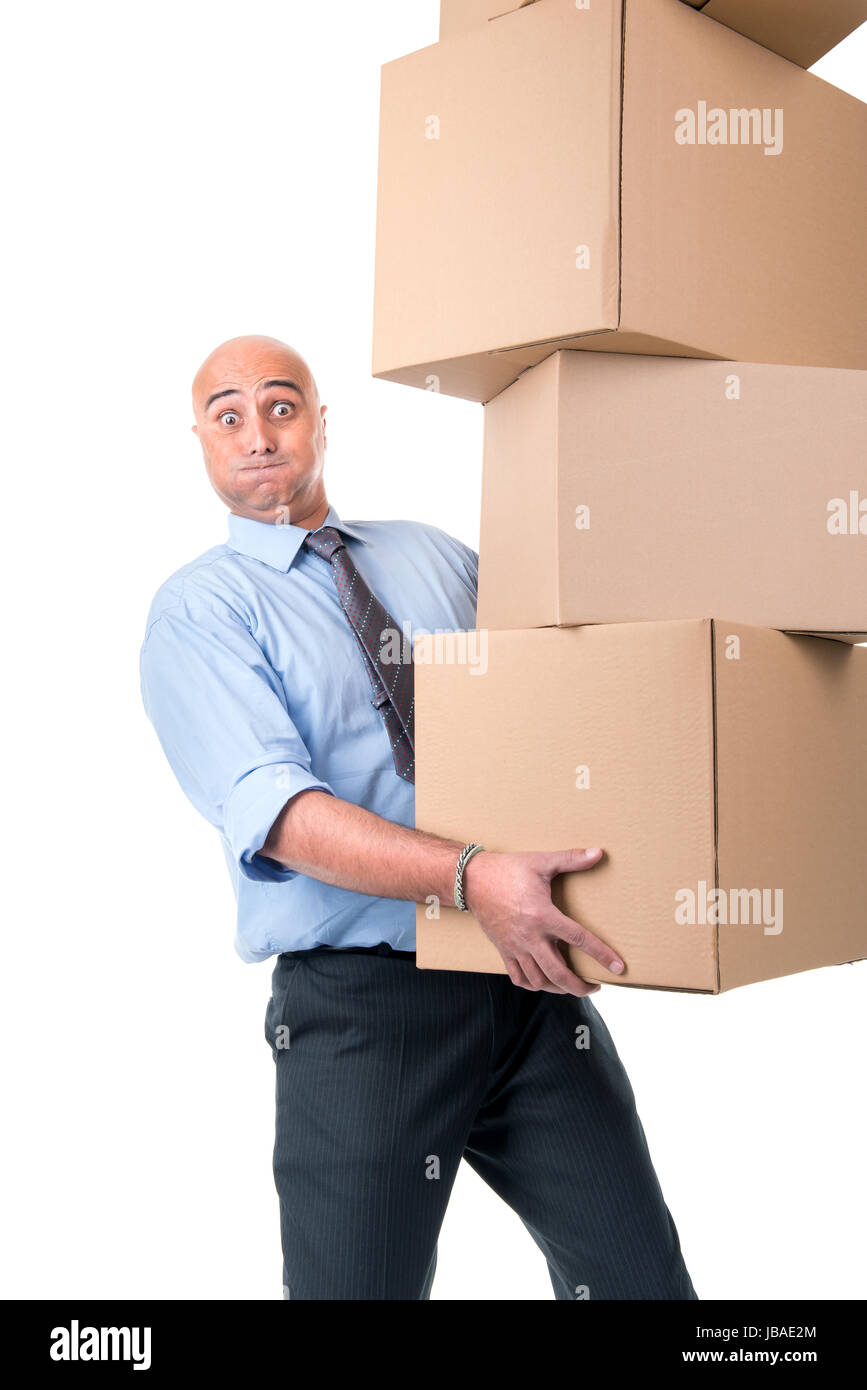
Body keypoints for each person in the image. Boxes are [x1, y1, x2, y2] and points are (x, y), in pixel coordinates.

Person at [140, 333, 697, 1301]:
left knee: (641, 1283)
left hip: (525, 979)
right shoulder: (201, 612)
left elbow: (558, 691)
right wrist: (472, 874)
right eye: (228, 416)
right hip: (364, 1008)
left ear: (320, 420)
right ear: (199, 440)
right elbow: (278, 814)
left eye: (282, 405)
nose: (258, 433)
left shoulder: (435, 556)